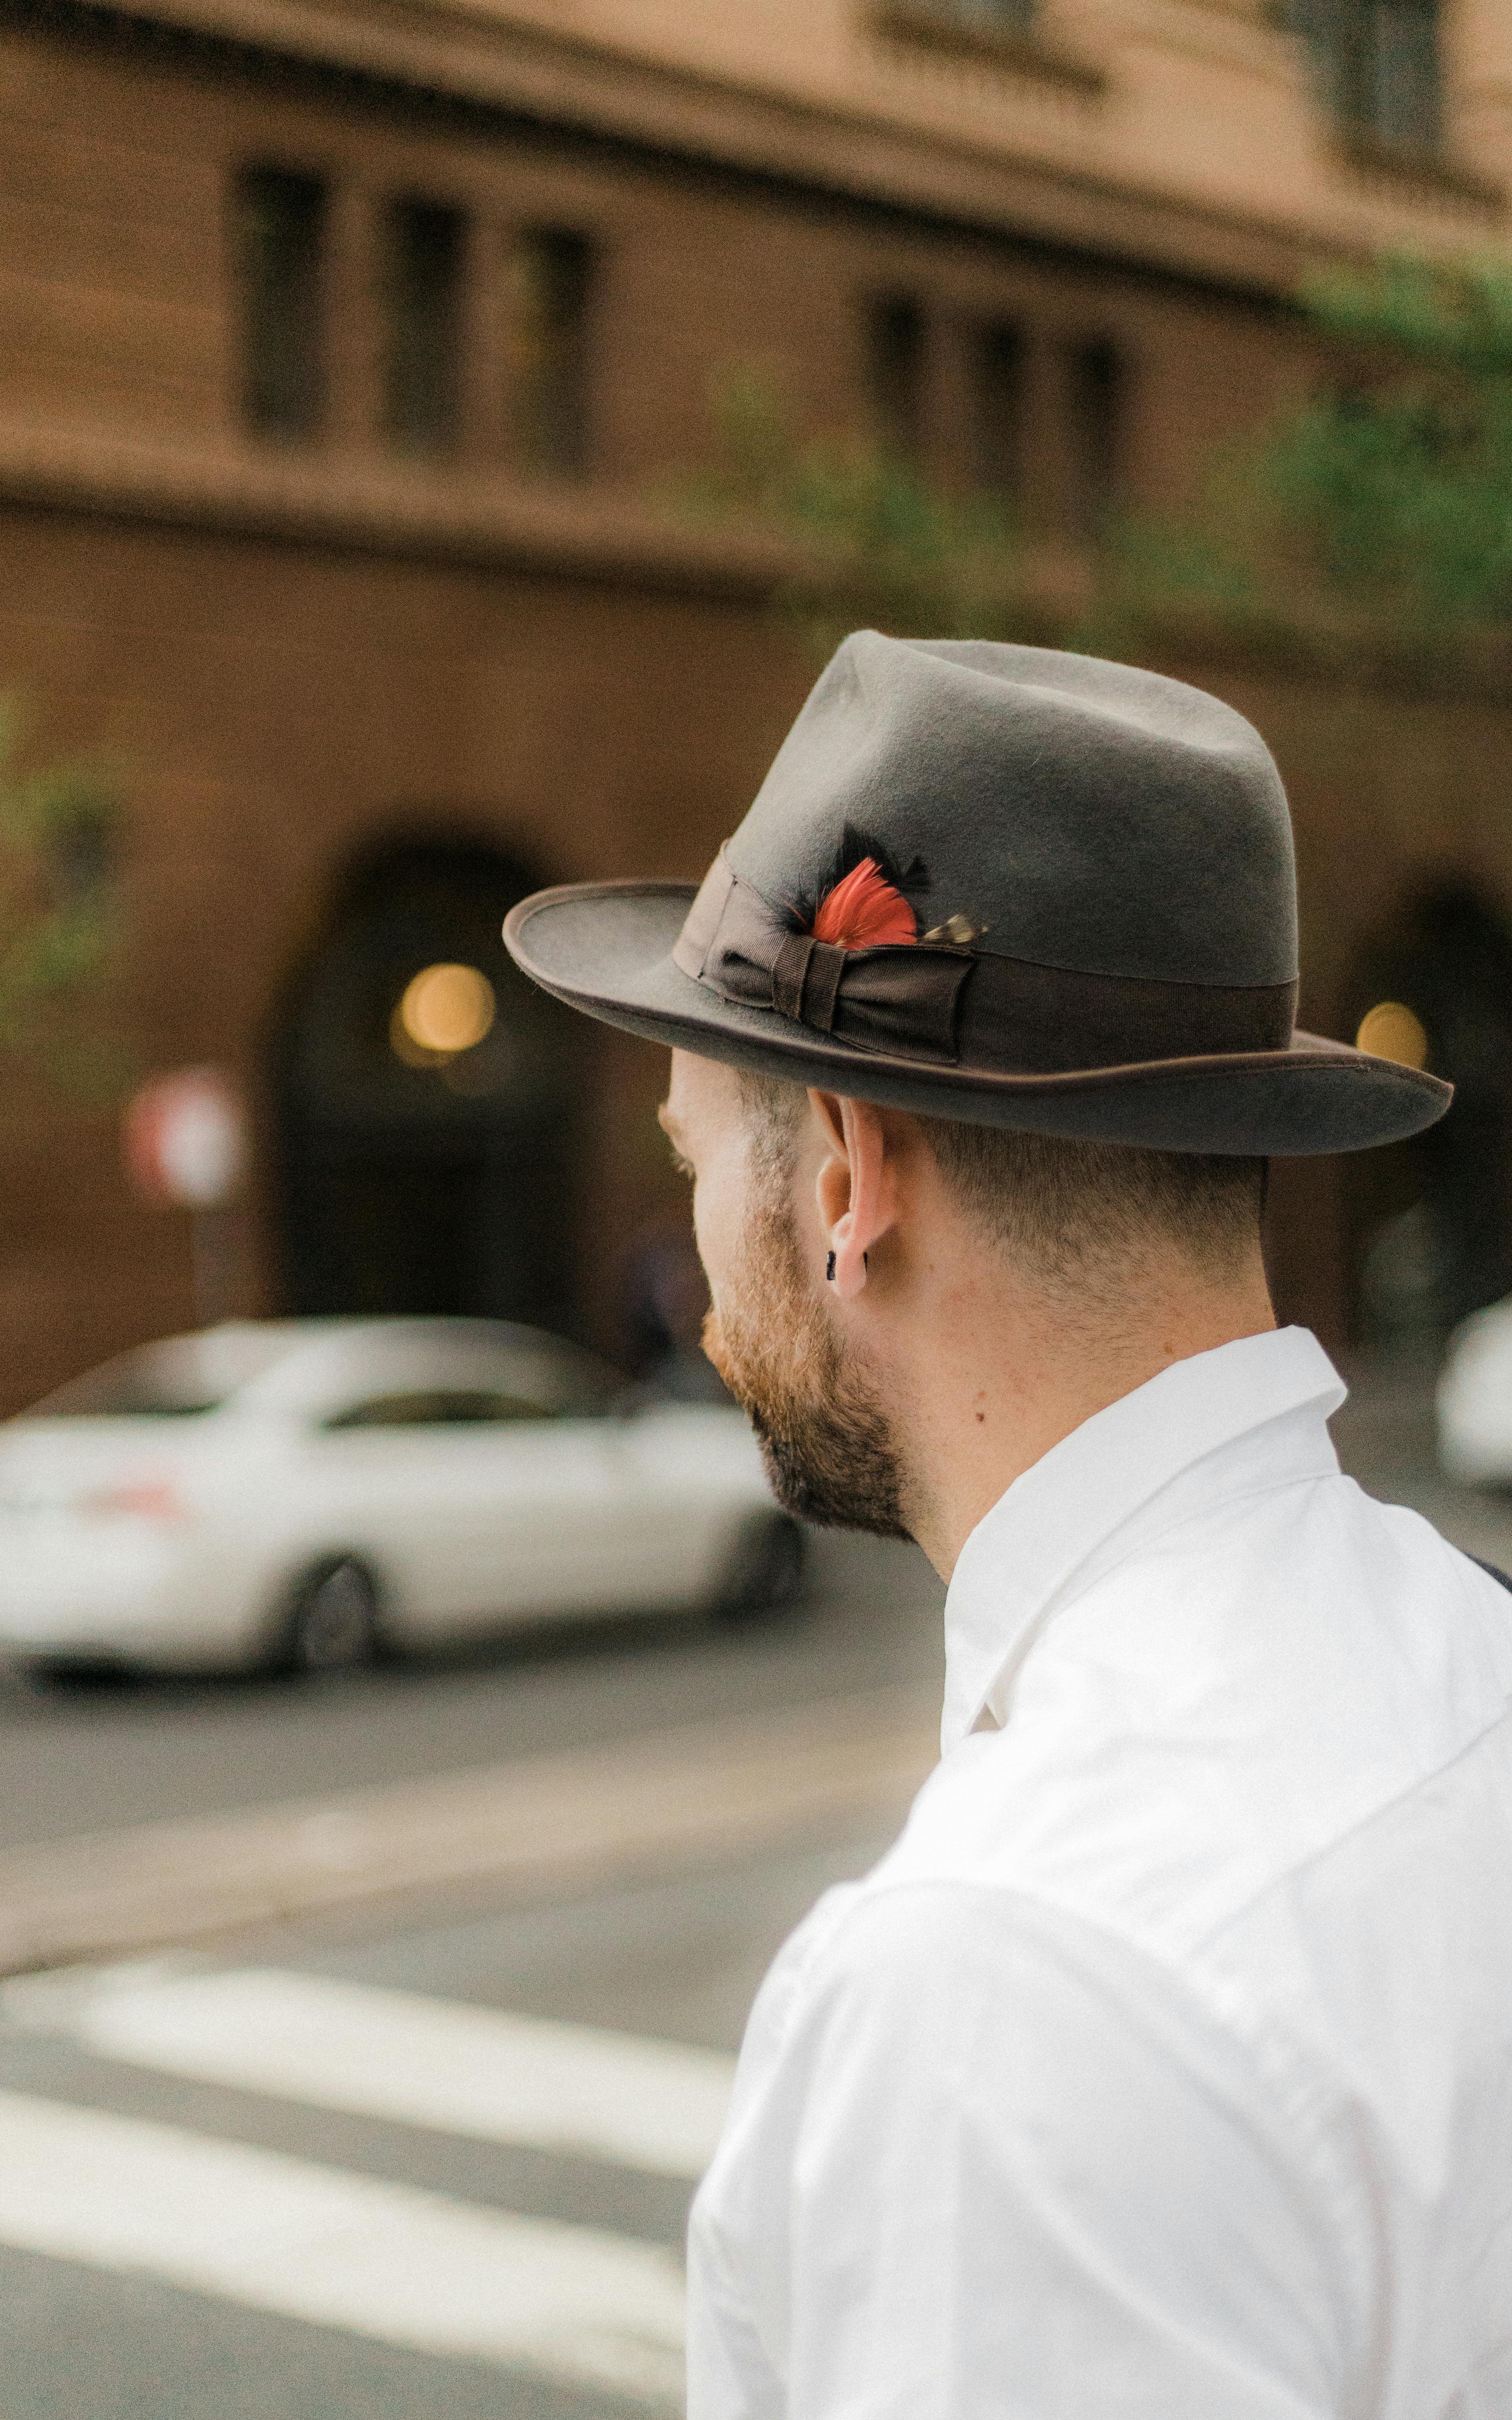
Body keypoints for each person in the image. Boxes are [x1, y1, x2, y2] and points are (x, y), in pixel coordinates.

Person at [505, 635, 1512, 2416]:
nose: (704, 1297)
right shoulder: (1467, 1655)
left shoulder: (1008, 1985)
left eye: (691, 1163)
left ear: (842, 1175)